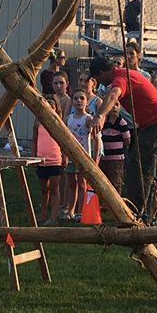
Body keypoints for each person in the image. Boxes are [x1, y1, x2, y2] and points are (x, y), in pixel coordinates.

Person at [90, 56, 157, 221]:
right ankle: (142, 211)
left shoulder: (121, 77)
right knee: (141, 165)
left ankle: (139, 212)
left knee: (140, 166)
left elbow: (114, 95)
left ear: (102, 73)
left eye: (97, 78)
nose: (98, 82)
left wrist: (100, 115)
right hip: (152, 124)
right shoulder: (124, 75)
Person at [33, 98, 64, 224]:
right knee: (43, 188)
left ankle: (53, 217)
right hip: (41, 159)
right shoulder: (38, 123)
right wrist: (33, 155)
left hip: (55, 159)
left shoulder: (58, 123)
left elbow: (63, 141)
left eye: (52, 107)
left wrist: (65, 156)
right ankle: (43, 214)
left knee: (54, 188)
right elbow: (35, 140)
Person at [65, 89, 93, 221]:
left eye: (82, 98)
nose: (78, 101)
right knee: (71, 184)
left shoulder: (88, 119)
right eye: (76, 98)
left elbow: (94, 135)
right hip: (71, 156)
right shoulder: (68, 119)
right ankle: (70, 210)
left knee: (82, 184)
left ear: (87, 102)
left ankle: (81, 212)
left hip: (83, 155)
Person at [98, 99, 130, 195]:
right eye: (112, 105)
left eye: (117, 105)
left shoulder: (122, 123)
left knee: (116, 180)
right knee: (105, 179)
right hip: (104, 156)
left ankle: (117, 199)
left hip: (116, 158)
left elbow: (127, 140)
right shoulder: (104, 121)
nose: (114, 107)